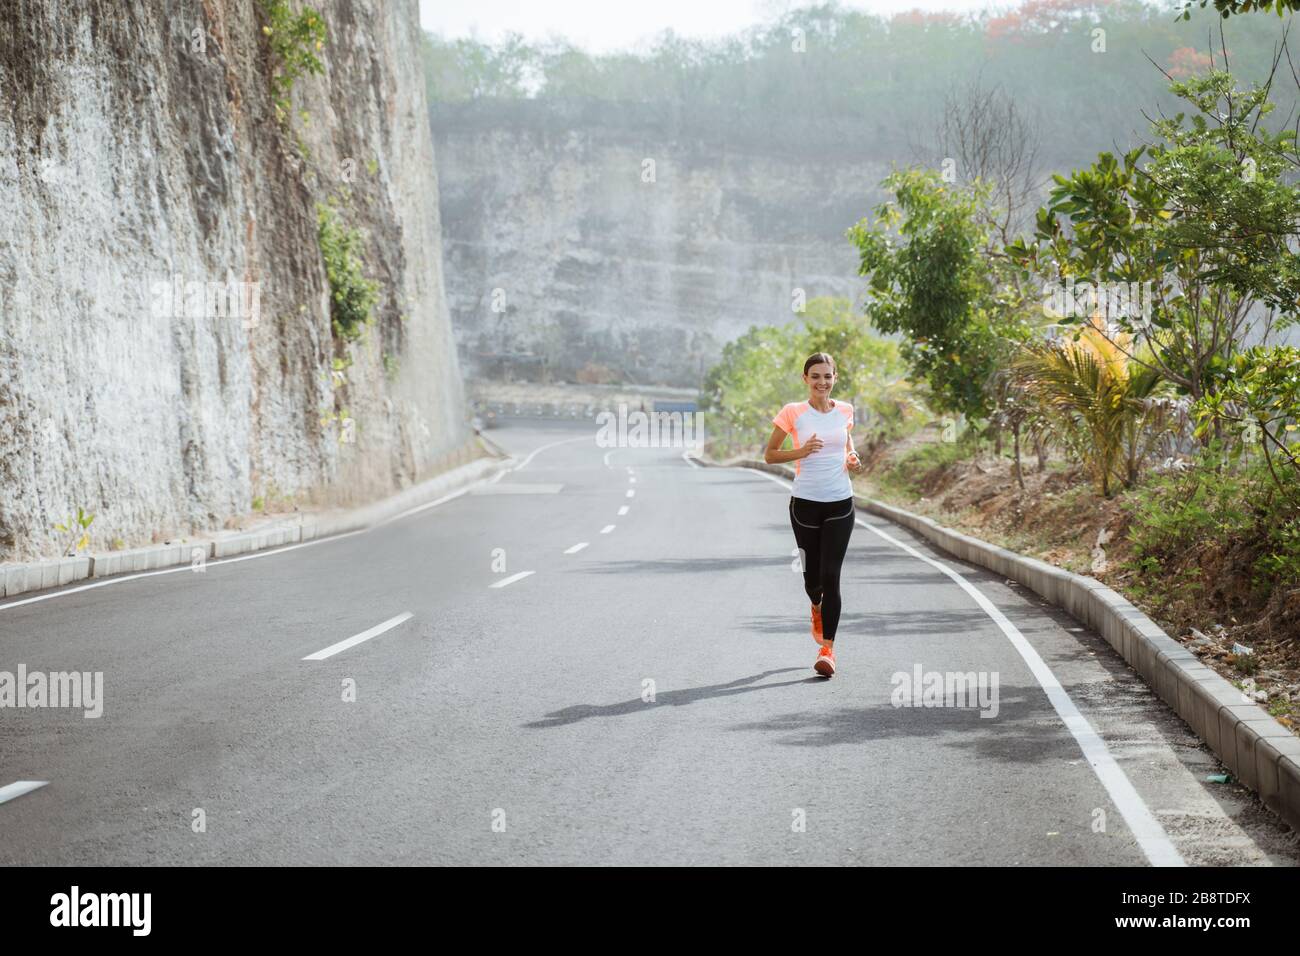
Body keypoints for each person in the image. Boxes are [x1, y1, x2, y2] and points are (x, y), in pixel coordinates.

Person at [765, 352, 865, 677]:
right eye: (816, 376)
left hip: (840, 503)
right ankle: (815, 605)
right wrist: (801, 451)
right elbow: (770, 455)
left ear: (835, 377)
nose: (822, 382)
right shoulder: (793, 412)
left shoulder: (846, 411)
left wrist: (851, 456)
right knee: (813, 581)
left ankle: (828, 651)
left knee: (832, 575)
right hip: (804, 505)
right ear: (805, 379)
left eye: (828, 376)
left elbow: (847, 440)